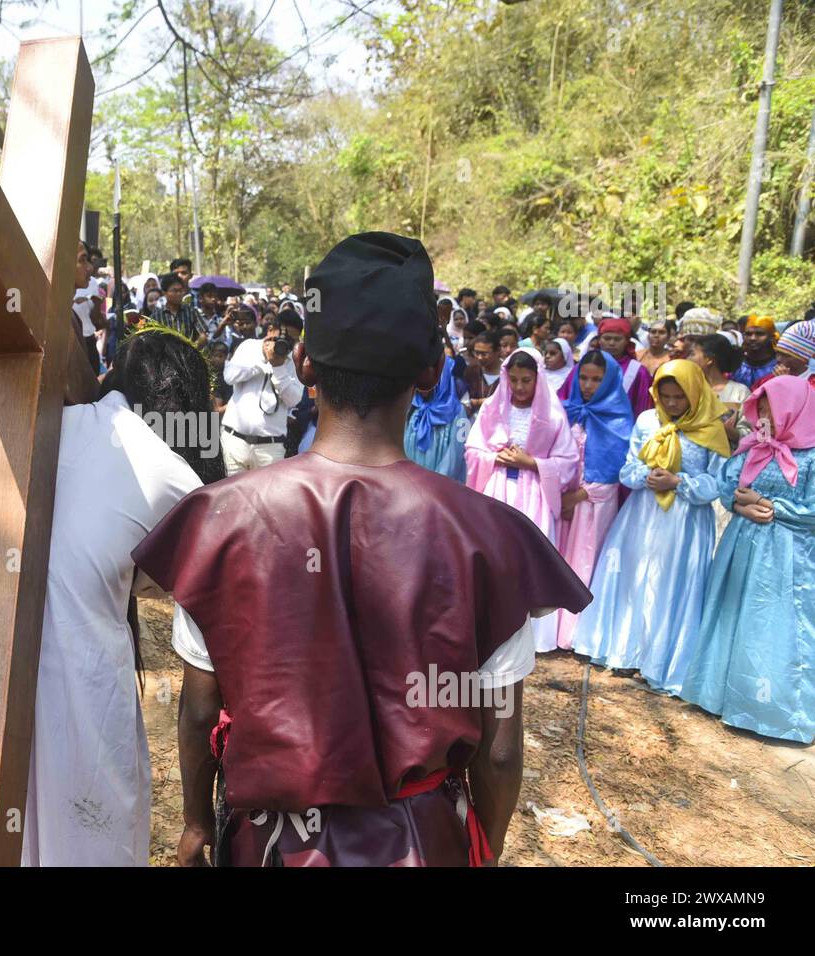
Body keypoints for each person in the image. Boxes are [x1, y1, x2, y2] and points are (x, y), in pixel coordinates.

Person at [131, 232, 590, 868]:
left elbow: (201, 706)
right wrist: (489, 844)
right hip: (422, 843)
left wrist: (194, 822)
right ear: (431, 373)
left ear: (309, 367)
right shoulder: (492, 541)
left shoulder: (221, 522)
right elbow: (501, 747)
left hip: (268, 845)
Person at [22, 328, 222, 867]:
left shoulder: (54, 425)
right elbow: (163, 579)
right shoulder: (173, 475)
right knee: (92, 825)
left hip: (2, 663)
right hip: (85, 673)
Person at [571, 360, 730, 694]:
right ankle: (627, 650)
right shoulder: (646, 420)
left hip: (684, 523)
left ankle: (659, 659)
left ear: (695, 395)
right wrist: (646, 476)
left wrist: (679, 481)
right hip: (642, 516)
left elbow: (718, 483)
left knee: (671, 583)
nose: (671, 404)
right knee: (636, 578)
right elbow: (627, 469)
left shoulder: (710, 428)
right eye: (666, 396)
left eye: (679, 398)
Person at [681, 376, 815, 743]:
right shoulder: (752, 446)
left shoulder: (811, 455)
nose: (765, 417)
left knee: (773, 623)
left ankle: (773, 711)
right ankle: (721, 695)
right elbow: (727, 486)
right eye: (762, 409)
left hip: (788, 555)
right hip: (740, 546)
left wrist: (773, 506)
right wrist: (739, 502)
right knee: (735, 614)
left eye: (773, 409)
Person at [465, 348, 580, 651]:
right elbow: (473, 449)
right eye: (513, 379)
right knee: (494, 550)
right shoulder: (493, 408)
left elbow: (568, 461)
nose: (518, 387)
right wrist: (495, 457)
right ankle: (490, 618)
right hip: (498, 488)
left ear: (537, 378)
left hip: (534, 493)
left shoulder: (553, 414)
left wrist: (532, 462)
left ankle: (533, 629)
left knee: (529, 553)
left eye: (526, 380)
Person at [555, 352, 635, 649]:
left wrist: (578, 496)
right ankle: (554, 627)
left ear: (610, 381)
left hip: (592, 506)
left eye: (597, 379)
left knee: (585, 561)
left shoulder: (619, 418)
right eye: (583, 378)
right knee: (560, 558)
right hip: (562, 501)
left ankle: (579, 633)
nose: (588, 385)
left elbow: (615, 473)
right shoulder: (566, 409)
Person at [219, 309, 304, 475]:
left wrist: (279, 368)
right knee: (231, 498)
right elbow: (230, 377)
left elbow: (294, 400)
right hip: (234, 442)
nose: (286, 344)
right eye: (284, 338)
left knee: (265, 500)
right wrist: (263, 361)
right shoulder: (247, 346)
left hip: (270, 448)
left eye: (292, 340)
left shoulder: (293, 362)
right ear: (271, 330)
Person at [560, 316, 654, 417]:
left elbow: (643, 409)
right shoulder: (584, 365)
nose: (612, 343)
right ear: (599, 340)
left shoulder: (638, 371)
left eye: (617, 339)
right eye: (607, 338)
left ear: (627, 341)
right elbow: (563, 398)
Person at [404, 354, 468, 482]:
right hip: (407, 481)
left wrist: (436, 484)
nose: (421, 385)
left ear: (443, 378)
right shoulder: (412, 406)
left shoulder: (458, 413)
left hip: (439, 485)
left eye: (427, 380)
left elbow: (456, 455)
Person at [687, 333, 749, 448]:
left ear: (709, 360)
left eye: (692, 354)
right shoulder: (687, 389)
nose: (687, 359)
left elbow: (750, 435)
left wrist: (728, 431)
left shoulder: (739, 392)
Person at [151, 272, 205, 340]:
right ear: (164, 293)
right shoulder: (156, 316)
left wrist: (194, 347)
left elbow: (203, 335)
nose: (179, 294)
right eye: (175, 291)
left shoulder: (191, 312)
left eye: (181, 290)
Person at [463, 331, 502, 419]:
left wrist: (476, 402)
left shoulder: (507, 374)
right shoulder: (472, 371)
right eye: (477, 353)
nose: (480, 357)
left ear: (498, 351)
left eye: (484, 354)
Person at [733, 315, 779, 389]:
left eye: (759, 334)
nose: (753, 338)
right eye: (748, 334)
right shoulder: (735, 365)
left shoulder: (779, 367)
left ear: (772, 337)